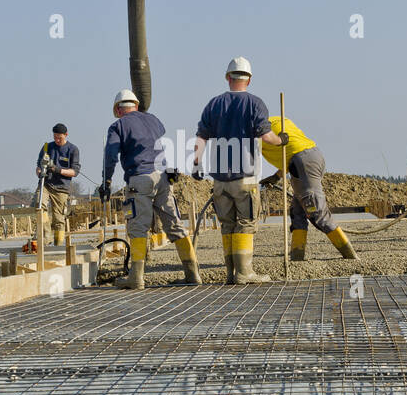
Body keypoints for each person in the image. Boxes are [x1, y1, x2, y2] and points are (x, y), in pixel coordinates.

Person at [193, 57, 287, 283]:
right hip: (245, 176)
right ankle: (244, 273)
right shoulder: (255, 104)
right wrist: (280, 140)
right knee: (245, 222)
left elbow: (201, 138)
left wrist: (196, 163)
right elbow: (266, 135)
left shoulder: (214, 104)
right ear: (250, 79)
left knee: (227, 223)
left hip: (220, 180)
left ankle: (230, 273)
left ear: (228, 78)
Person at [100, 89, 200, 289]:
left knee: (138, 227)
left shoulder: (118, 126)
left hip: (140, 179)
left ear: (119, 110)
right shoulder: (153, 120)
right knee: (174, 223)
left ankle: (136, 277)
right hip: (163, 176)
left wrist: (106, 182)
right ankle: (192, 273)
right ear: (136, 106)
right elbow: (159, 141)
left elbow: (110, 155)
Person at [259, 116, 357, 260]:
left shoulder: (254, 131)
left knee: (315, 210)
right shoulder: (277, 120)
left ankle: (350, 255)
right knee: (298, 212)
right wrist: (277, 176)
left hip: (302, 163)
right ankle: (297, 256)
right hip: (313, 155)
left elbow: (287, 150)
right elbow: (292, 149)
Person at [35, 124, 80, 246]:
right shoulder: (46, 147)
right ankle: (45, 238)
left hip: (61, 188)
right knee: (40, 206)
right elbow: (38, 166)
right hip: (46, 184)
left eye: (59, 138)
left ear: (66, 135)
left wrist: (57, 170)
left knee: (58, 219)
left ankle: (58, 245)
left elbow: (74, 172)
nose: (57, 140)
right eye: (55, 137)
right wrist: (40, 173)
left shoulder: (73, 149)